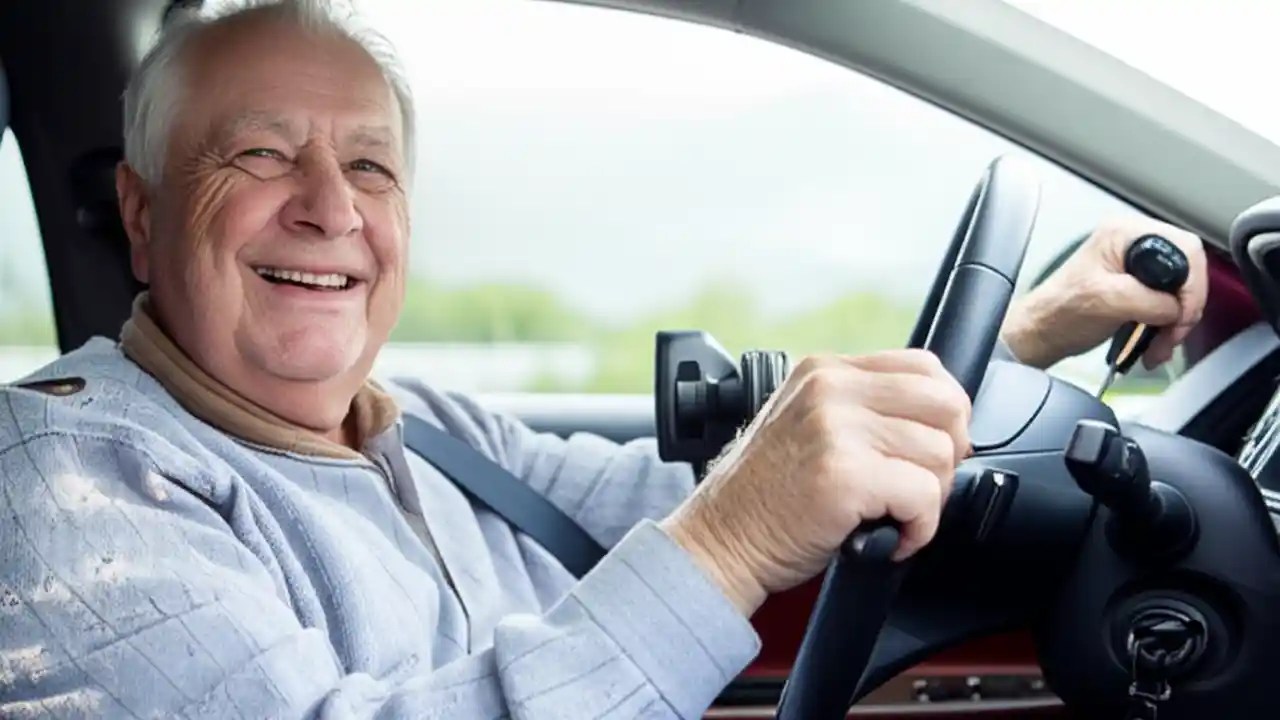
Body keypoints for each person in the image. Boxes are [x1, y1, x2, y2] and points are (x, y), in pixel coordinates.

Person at [0, 1, 1207, 718]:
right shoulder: (63, 476)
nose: (330, 208)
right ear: (146, 214)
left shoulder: (412, 428)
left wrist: (1027, 330)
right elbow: (721, 526)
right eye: (260, 155)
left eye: (370, 166)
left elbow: (697, 496)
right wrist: (725, 547)